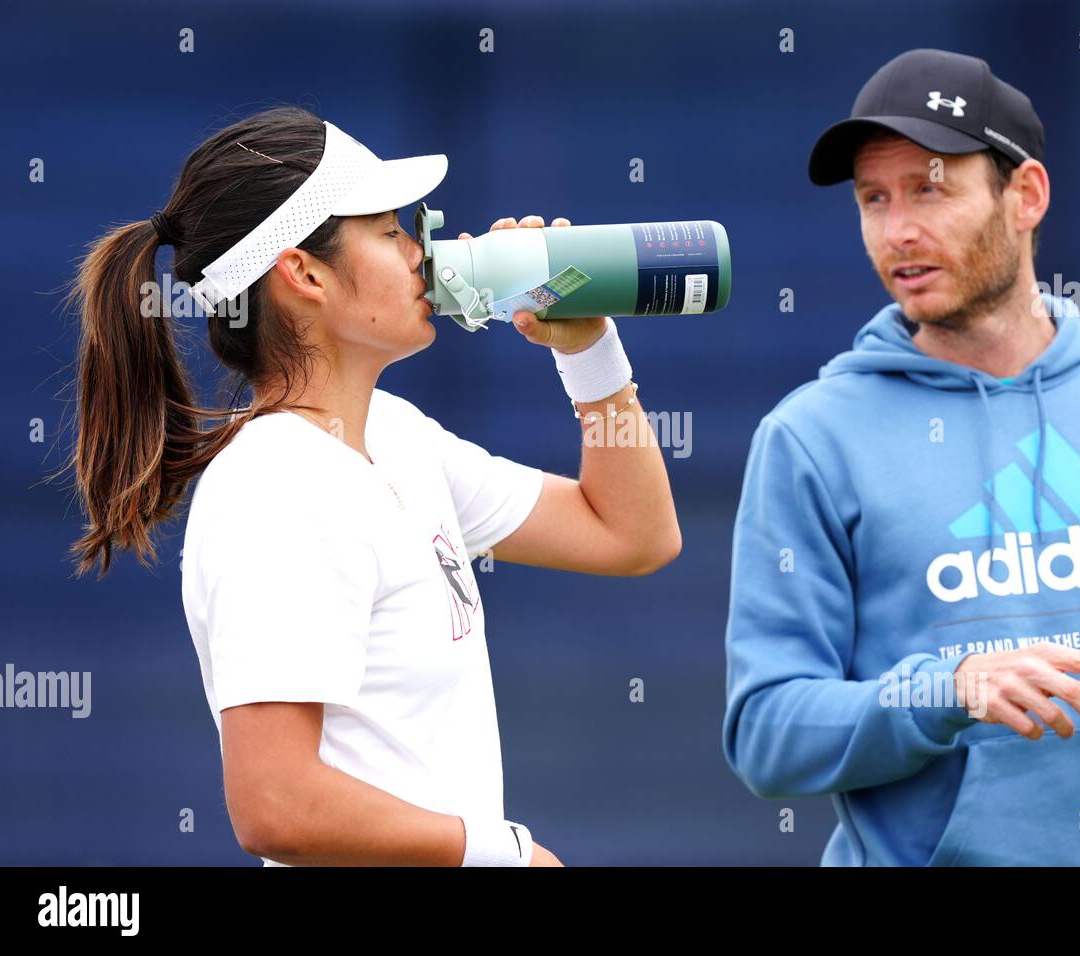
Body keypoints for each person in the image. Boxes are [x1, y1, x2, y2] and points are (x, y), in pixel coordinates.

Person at [64, 105, 681, 866]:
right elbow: (275, 804)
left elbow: (633, 534)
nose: (421, 250)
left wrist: (587, 345)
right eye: (391, 231)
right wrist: (506, 855)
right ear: (304, 272)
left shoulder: (393, 434)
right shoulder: (275, 486)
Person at [722, 49, 1080, 866]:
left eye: (931, 187)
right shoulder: (809, 438)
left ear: (1025, 196)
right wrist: (945, 692)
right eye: (873, 199)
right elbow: (766, 734)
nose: (897, 230)